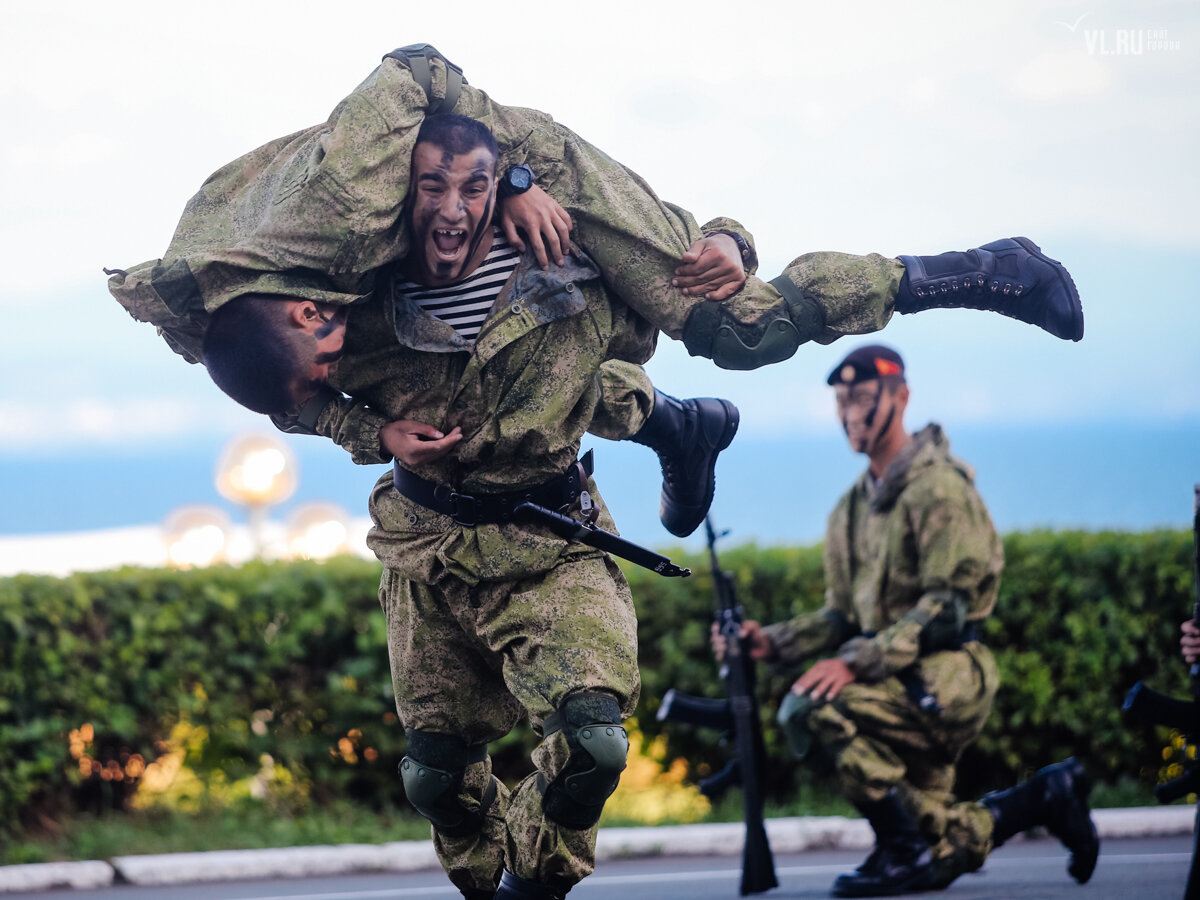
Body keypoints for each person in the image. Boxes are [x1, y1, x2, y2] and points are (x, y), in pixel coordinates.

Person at [712, 345, 1098, 897]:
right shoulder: (850, 508)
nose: (851, 414)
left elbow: (948, 607)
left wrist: (855, 663)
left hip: (946, 677)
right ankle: (1037, 800)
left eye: (864, 399)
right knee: (945, 849)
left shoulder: (938, 488)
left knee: (810, 708)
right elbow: (843, 615)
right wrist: (766, 643)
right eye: (842, 401)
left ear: (902, 397)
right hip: (895, 677)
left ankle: (908, 845)